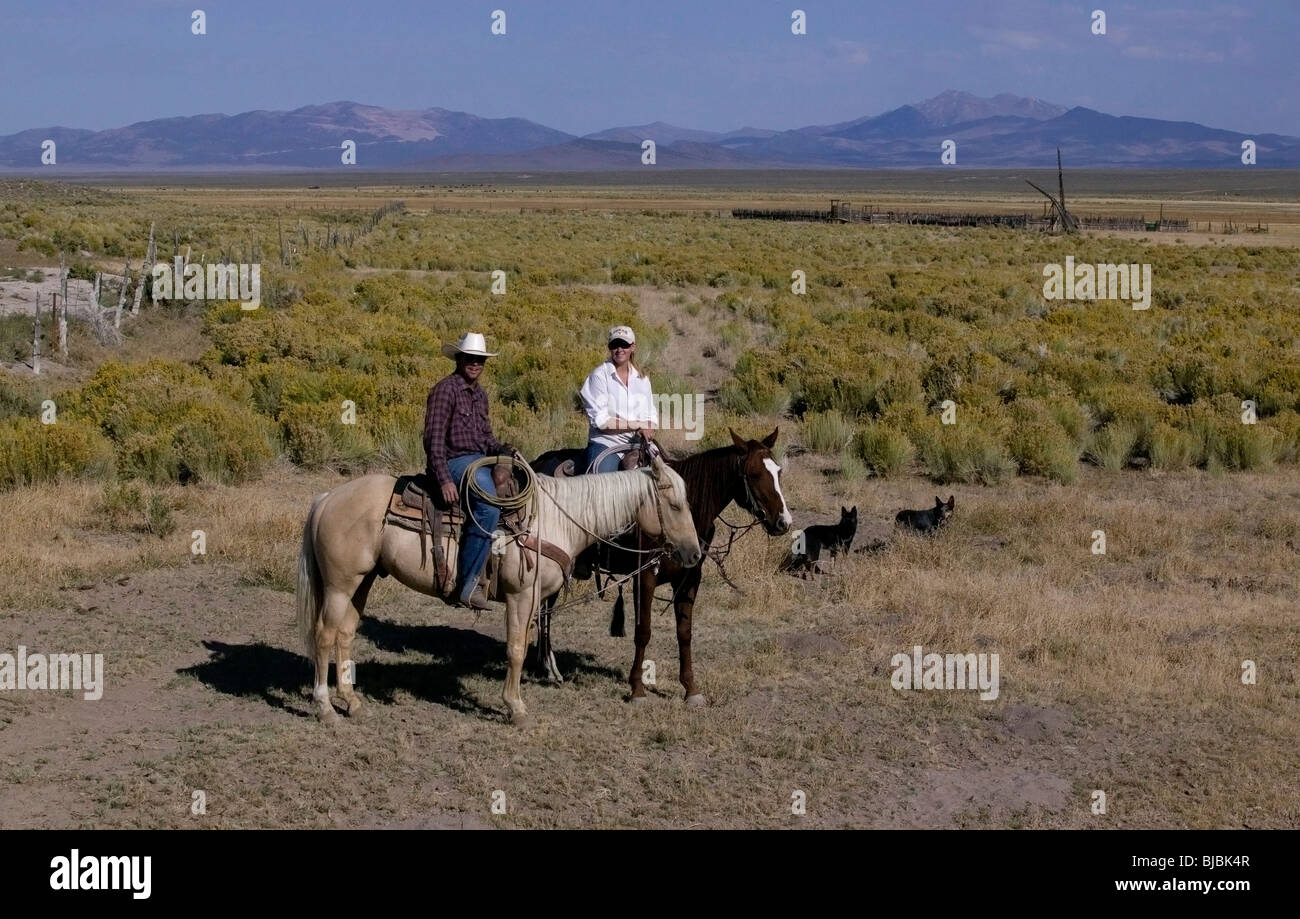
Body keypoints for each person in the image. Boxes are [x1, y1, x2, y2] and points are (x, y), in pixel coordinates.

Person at [423, 331, 516, 610]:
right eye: (470, 359)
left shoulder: (480, 395)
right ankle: (469, 583)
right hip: (454, 461)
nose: (475, 364)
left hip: (477, 460)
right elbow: (433, 440)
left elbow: (485, 437)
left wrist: (503, 450)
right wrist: (444, 479)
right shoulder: (446, 390)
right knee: (489, 506)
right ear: (459, 359)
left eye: (480, 360)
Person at [578, 325, 657, 473]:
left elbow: (650, 414)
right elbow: (601, 422)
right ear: (609, 347)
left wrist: (649, 427)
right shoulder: (599, 376)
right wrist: (637, 425)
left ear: (633, 347)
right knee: (602, 480)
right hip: (607, 443)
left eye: (624, 344)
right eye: (615, 345)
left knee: (667, 475)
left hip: (637, 443)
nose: (619, 349)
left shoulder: (642, 379)